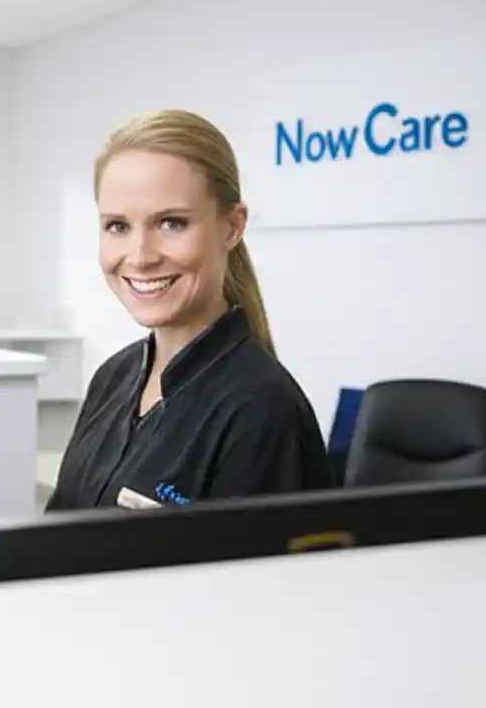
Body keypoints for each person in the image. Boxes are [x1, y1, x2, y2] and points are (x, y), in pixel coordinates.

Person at [46, 109, 332, 512]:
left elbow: (251, 575)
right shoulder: (113, 377)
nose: (140, 257)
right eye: (118, 226)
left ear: (232, 227)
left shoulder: (261, 412)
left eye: (172, 223)